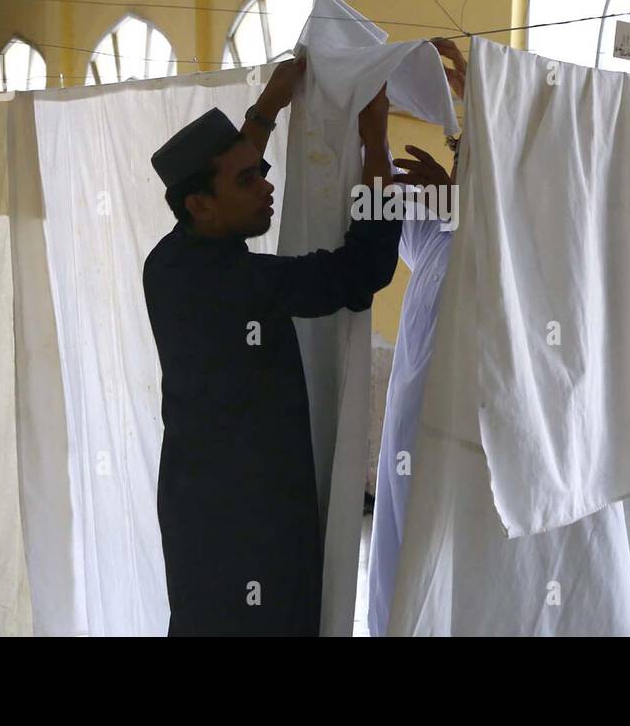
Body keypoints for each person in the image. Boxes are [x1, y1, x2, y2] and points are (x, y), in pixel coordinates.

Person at [143, 57, 403, 636]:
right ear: (201, 206)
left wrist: (267, 110)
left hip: (197, 501)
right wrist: (376, 144)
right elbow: (362, 270)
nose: (268, 185)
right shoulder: (240, 285)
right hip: (249, 520)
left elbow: (225, 173)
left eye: (259, 170)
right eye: (249, 180)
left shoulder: (167, 260)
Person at [367, 38, 466, 636]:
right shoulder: (440, 237)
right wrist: (369, 112)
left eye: (466, 154)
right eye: (458, 150)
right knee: (406, 573)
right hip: (409, 446)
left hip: (465, 456)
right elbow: (379, 193)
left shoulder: (514, 253)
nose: (456, 162)